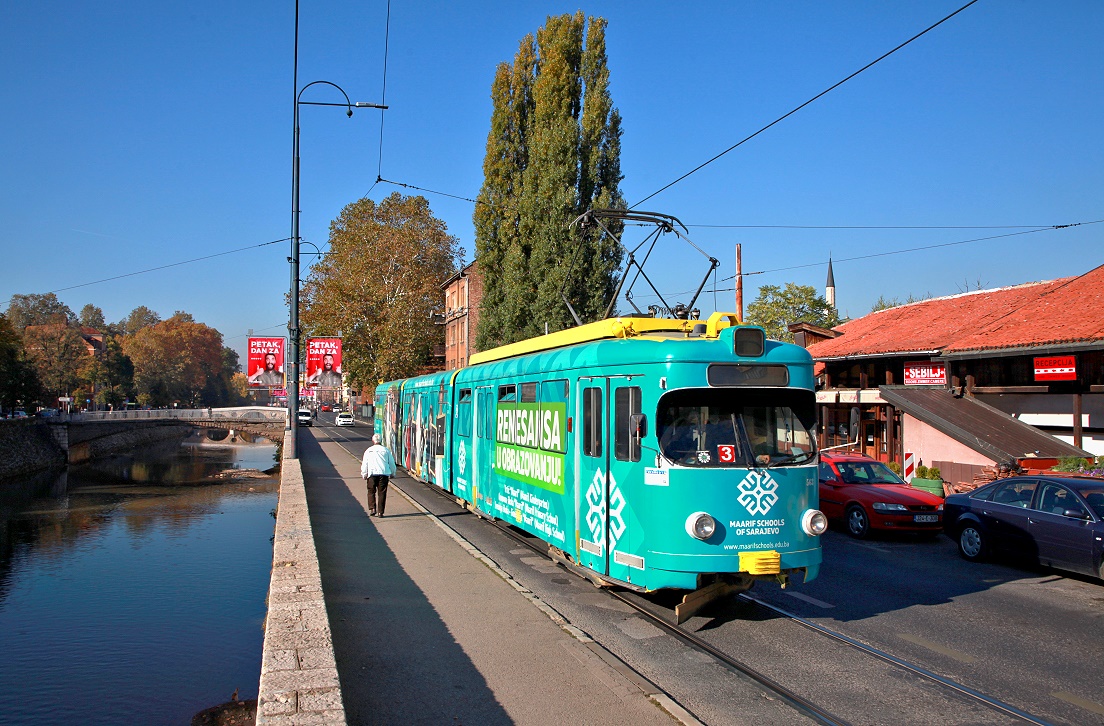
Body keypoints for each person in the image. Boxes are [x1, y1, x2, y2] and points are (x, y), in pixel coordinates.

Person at [361, 433, 396, 518]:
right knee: (382, 493)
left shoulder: (368, 451)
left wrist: (364, 474)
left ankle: (372, 508)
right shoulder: (386, 450)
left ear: (373, 441)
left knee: (371, 491)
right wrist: (392, 473)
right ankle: (381, 512)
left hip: (372, 474)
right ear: (381, 441)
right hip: (383, 474)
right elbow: (391, 463)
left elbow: (365, 463)